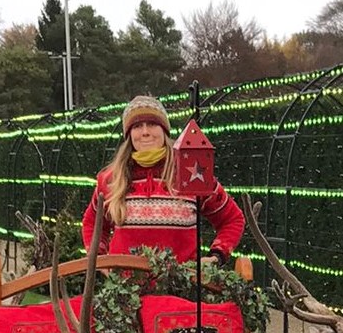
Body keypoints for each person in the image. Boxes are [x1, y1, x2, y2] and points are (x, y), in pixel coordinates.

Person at [80, 94, 244, 266]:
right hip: (124, 282)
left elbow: (232, 219)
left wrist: (216, 255)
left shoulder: (191, 172)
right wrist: (99, 261)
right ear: (129, 134)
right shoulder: (111, 179)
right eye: (137, 126)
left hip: (180, 281)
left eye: (152, 124)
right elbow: (92, 223)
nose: (145, 132)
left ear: (164, 130)